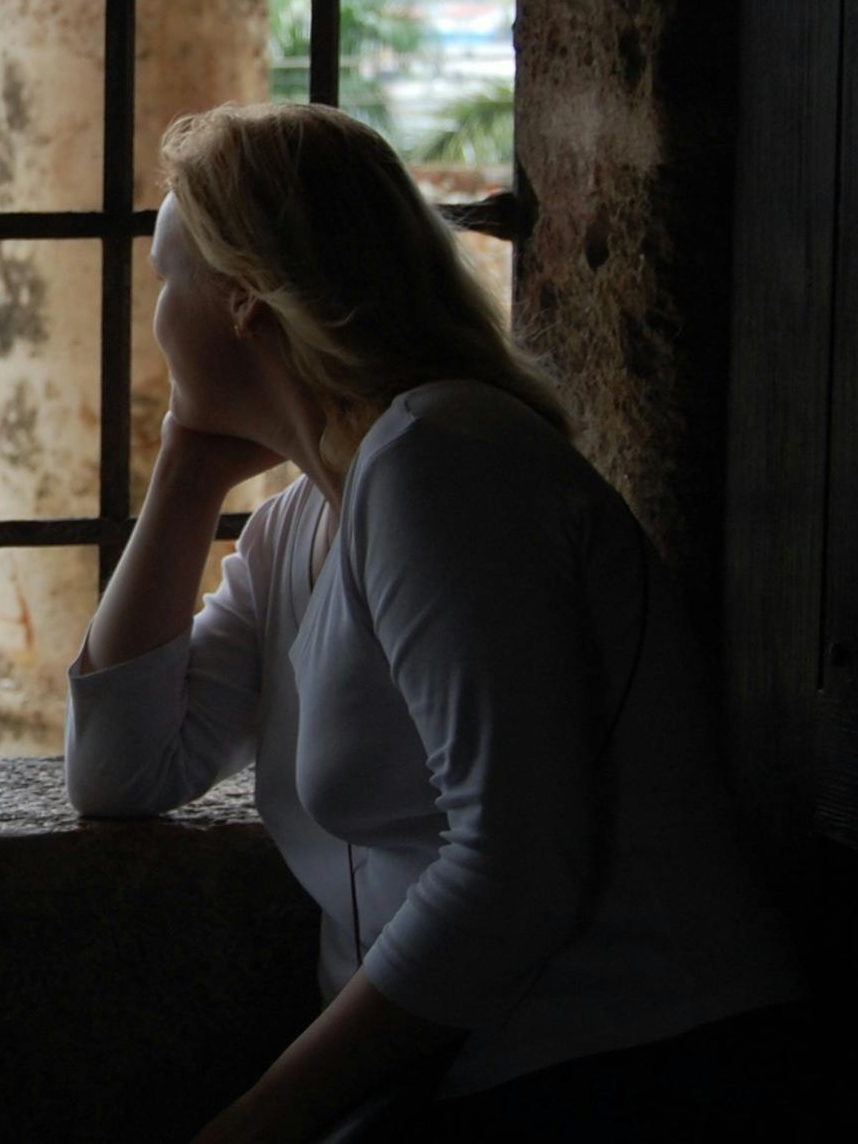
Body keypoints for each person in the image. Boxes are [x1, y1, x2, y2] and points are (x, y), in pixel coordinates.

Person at [65, 103, 805, 1141]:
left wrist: (261, 1119)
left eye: (161, 283)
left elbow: (512, 870)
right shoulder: (299, 525)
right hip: (468, 1074)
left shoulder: (439, 459)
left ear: (240, 301)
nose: (151, 319)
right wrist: (186, 467)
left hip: (619, 1068)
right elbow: (120, 770)